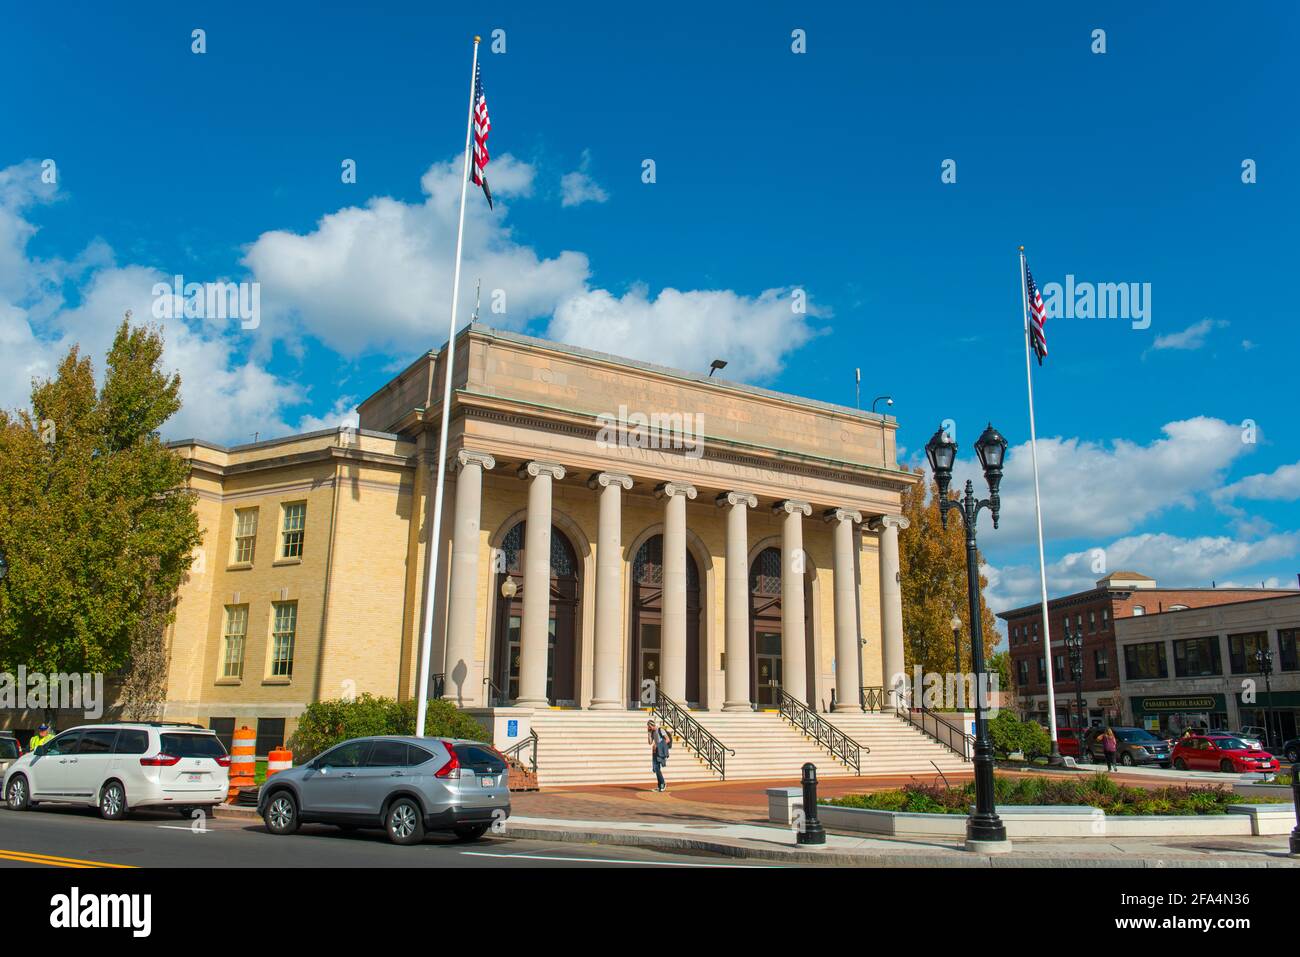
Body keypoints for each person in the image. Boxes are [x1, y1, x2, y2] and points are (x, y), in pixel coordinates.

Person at [647, 719, 670, 793]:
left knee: (657, 768)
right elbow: (650, 742)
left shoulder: (661, 730)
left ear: (651, 725)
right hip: (654, 752)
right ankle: (660, 786)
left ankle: (663, 783)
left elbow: (667, 739)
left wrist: (657, 745)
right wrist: (649, 734)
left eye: (648, 726)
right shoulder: (652, 732)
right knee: (656, 768)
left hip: (660, 751)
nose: (648, 728)